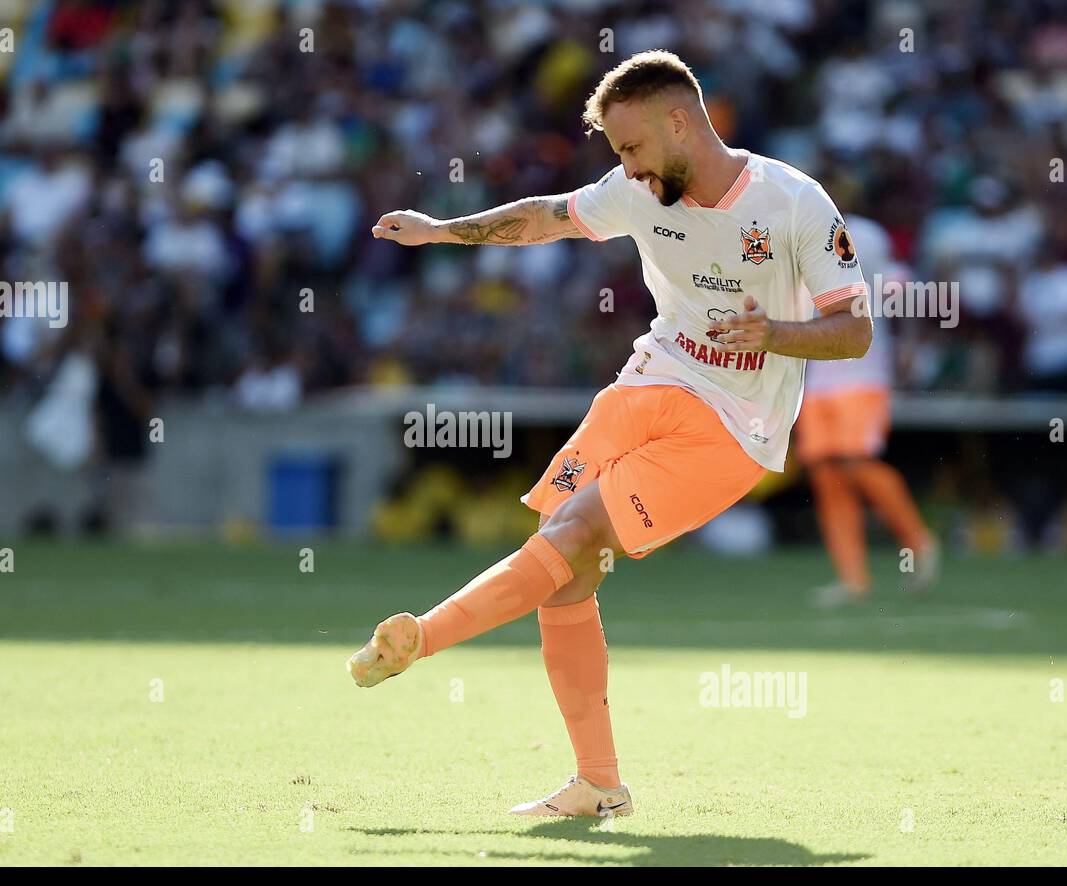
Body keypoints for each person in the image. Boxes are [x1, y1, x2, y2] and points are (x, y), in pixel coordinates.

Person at [349, 51, 871, 817]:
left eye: (629, 149)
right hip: (652, 381)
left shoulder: (794, 204)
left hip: (735, 424)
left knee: (573, 536)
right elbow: (547, 215)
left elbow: (854, 331)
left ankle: (421, 638)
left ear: (679, 122)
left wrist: (776, 333)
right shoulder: (637, 190)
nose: (622, 167)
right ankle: (598, 785)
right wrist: (440, 232)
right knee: (566, 558)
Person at [795, 213, 938, 607]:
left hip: (862, 372)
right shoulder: (794, 223)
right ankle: (853, 579)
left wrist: (910, 343)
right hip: (818, 375)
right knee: (826, 475)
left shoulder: (868, 233)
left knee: (855, 461)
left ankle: (917, 539)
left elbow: (902, 285)